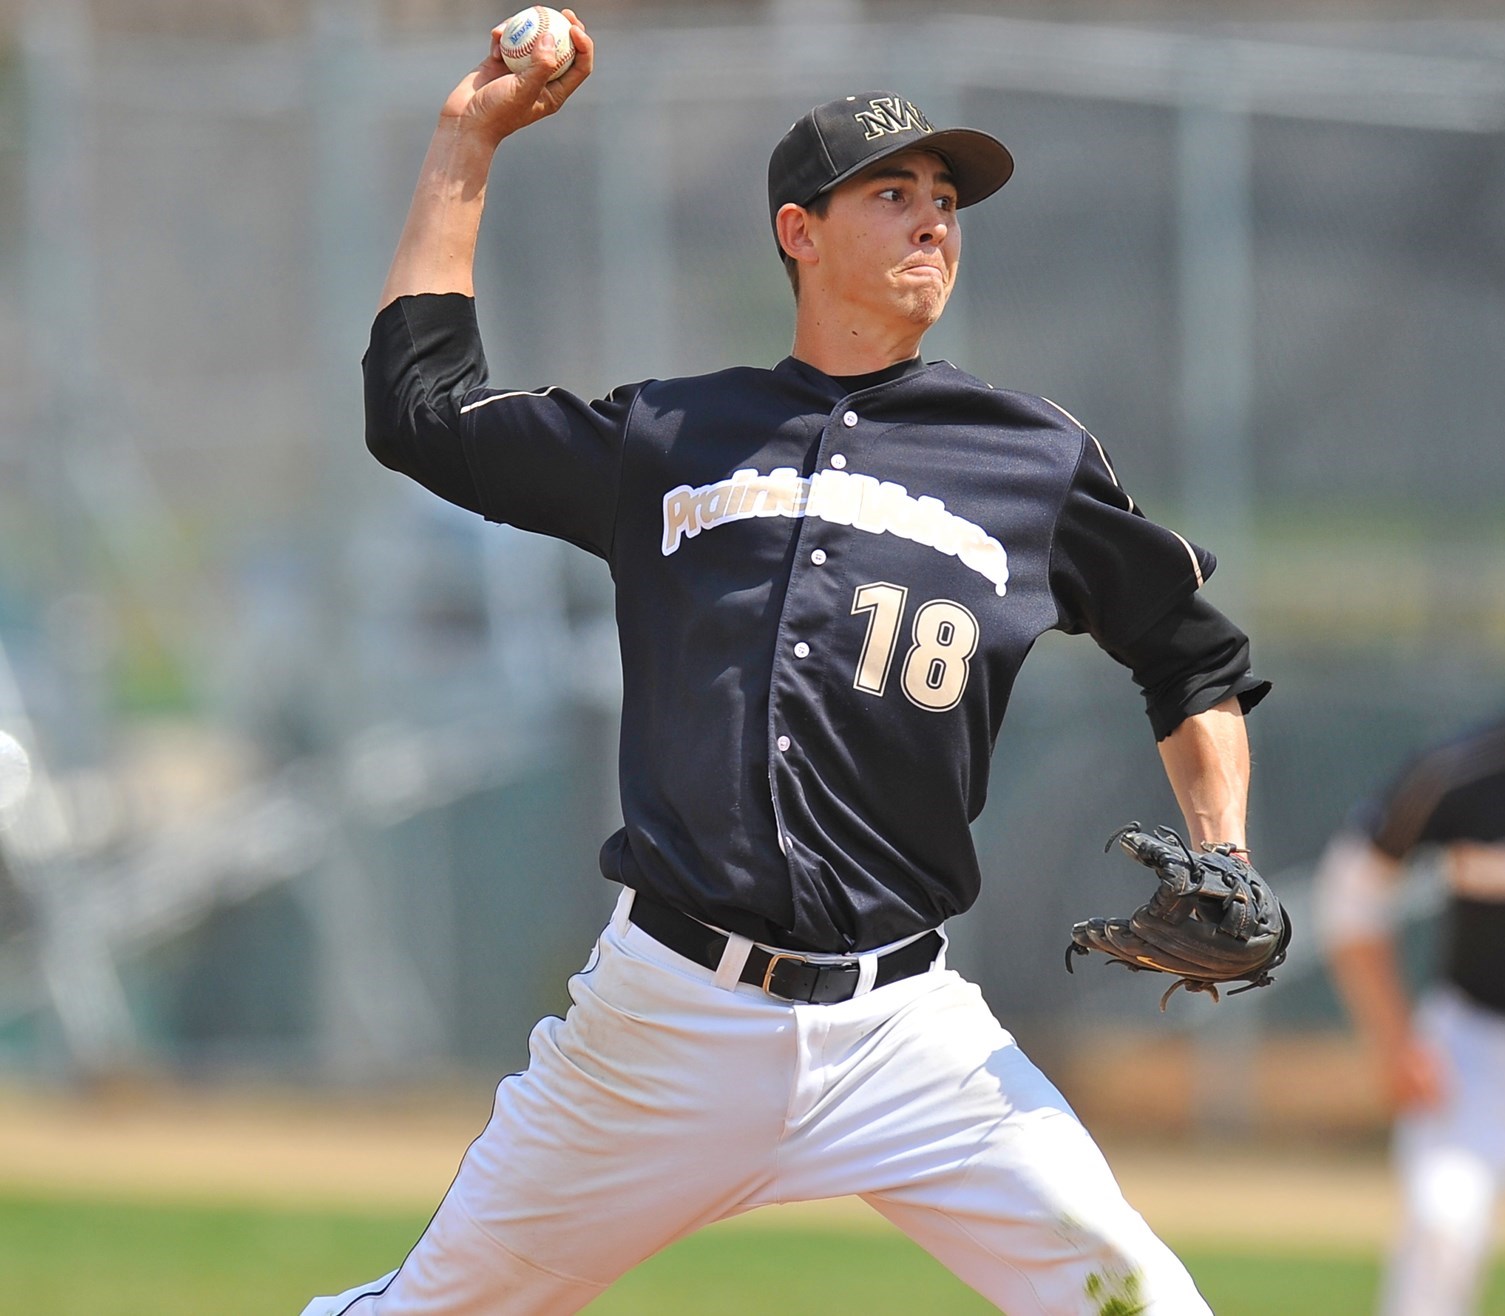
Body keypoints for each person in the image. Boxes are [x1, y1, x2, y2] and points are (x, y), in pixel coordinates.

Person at [303, 12, 1270, 1314]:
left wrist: (1228, 847)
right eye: (894, 193)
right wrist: (466, 137)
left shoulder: (1031, 461)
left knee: (1150, 1306)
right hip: (668, 1021)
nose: (935, 220)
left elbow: (1189, 652)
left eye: (946, 199)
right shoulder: (676, 436)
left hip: (907, 1036)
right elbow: (422, 414)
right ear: (798, 231)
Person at [1315, 583, 1505, 1316]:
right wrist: (1392, 1040)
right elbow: (1349, 898)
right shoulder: (1463, 775)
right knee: (1443, 1227)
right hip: (1479, 1047)